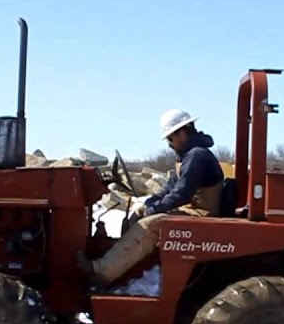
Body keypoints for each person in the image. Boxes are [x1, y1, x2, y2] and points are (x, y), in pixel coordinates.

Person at [77, 108, 225, 286]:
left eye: (171, 138)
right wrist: (147, 204)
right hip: (191, 209)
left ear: (182, 133)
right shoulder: (186, 157)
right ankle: (123, 273)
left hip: (202, 213)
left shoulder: (196, 156)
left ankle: (101, 272)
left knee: (149, 225)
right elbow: (170, 189)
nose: (169, 144)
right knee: (136, 217)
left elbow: (181, 194)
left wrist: (153, 210)